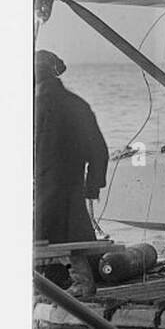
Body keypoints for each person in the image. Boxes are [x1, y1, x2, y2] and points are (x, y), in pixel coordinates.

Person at [34, 50, 109, 300]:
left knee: (48, 234)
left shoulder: (33, 106)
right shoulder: (78, 105)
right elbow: (99, 150)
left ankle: (68, 284)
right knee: (71, 233)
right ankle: (78, 281)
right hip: (71, 188)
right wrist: (92, 186)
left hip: (45, 189)